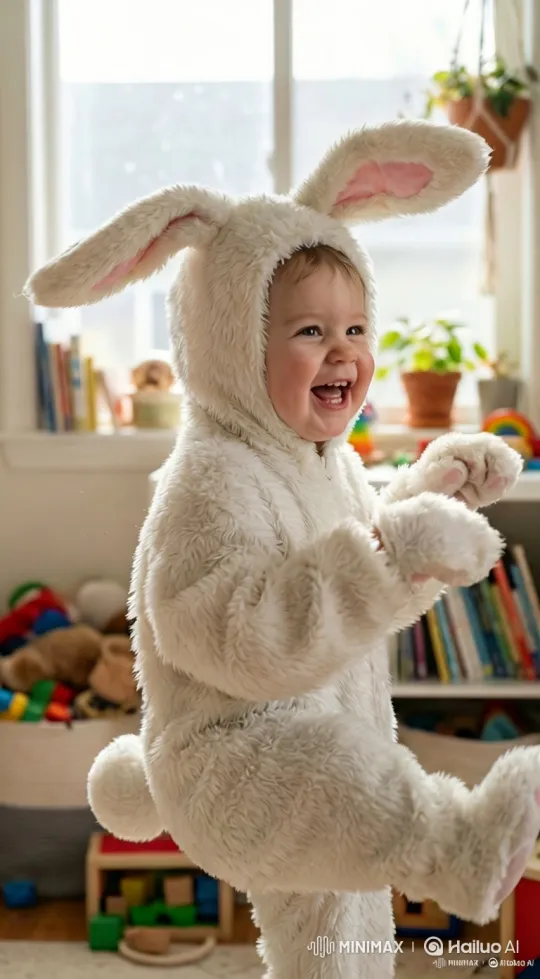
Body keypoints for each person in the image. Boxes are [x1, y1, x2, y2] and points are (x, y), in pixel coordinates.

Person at [25, 121, 539, 979]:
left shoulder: (320, 460)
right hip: (234, 761)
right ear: (232, 343)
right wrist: (391, 560)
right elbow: (241, 635)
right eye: (308, 332)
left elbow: (361, 554)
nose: (343, 352)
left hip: (327, 732)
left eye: (357, 328)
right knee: (342, 789)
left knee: (343, 945)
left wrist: (430, 491)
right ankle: (455, 843)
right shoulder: (209, 480)